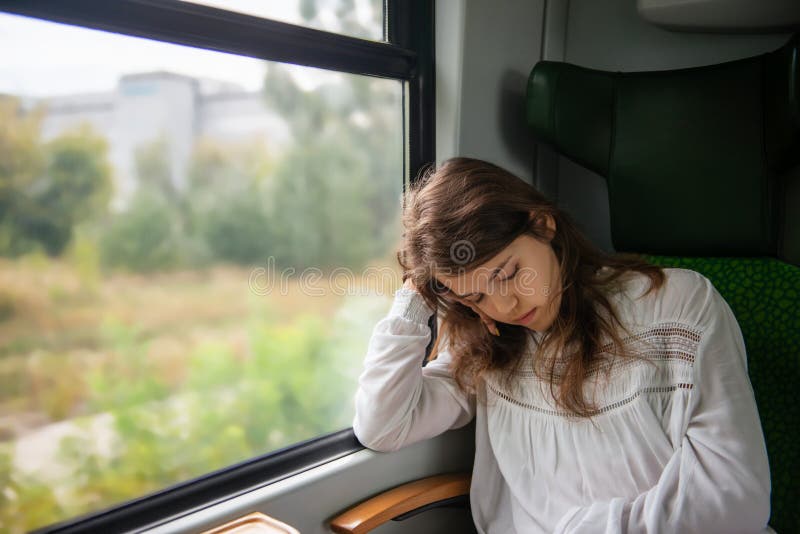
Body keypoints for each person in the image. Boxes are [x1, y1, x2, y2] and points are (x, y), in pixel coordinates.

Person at [352, 157, 773, 533]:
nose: (504, 305)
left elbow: (735, 499)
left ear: (543, 224)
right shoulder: (487, 346)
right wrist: (416, 293)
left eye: (508, 273)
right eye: (476, 296)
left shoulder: (678, 306)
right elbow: (383, 424)